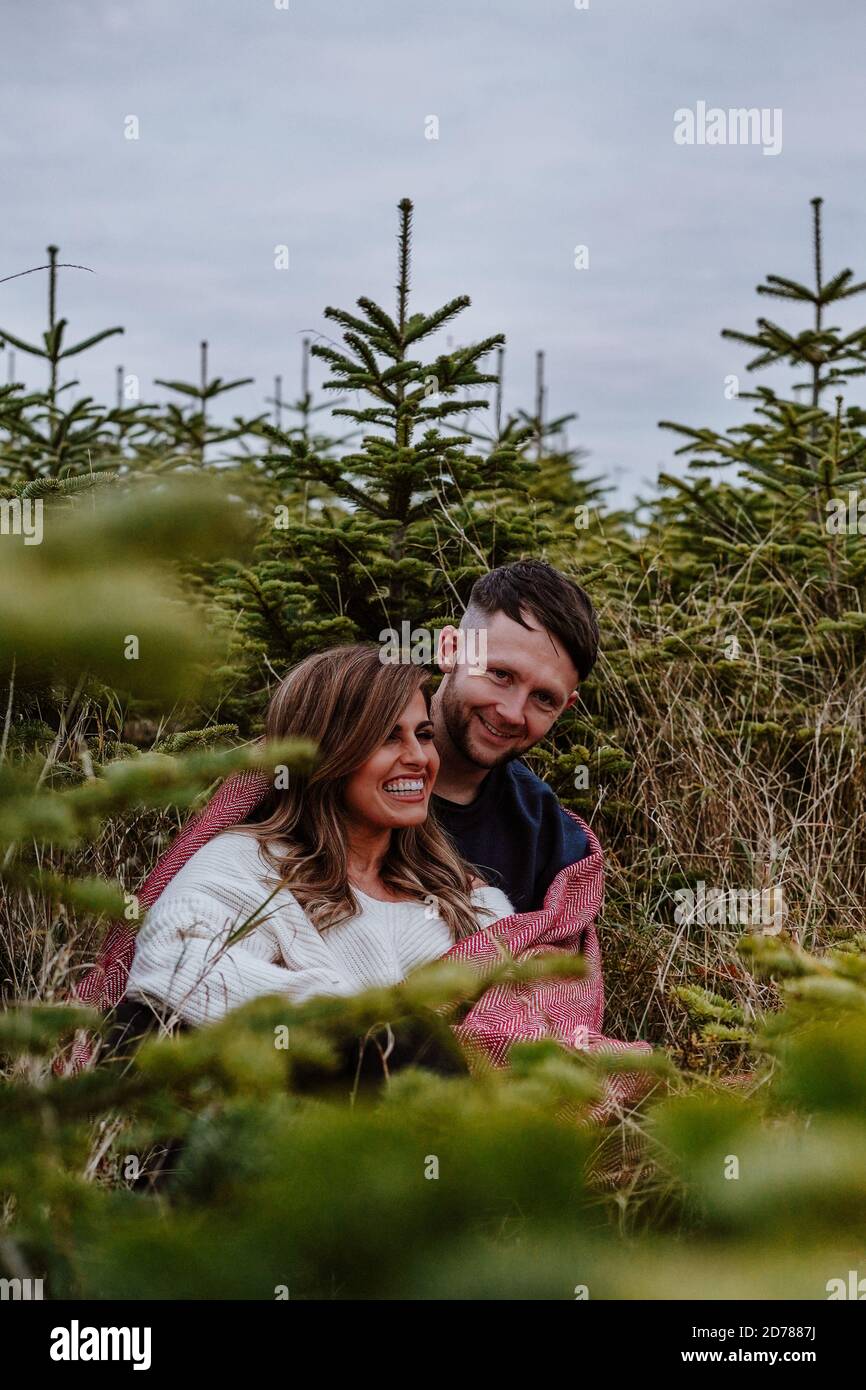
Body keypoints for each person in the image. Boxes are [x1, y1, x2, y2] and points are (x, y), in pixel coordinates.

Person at [124, 646, 514, 1033]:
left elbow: (521, 1011)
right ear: (328, 754)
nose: (418, 757)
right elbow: (172, 961)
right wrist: (368, 1025)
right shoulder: (252, 864)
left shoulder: (464, 898)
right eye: (388, 737)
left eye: (424, 735)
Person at [429, 560, 598, 913]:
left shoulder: (548, 837)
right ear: (450, 649)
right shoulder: (347, 763)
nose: (511, 713)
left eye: (543, 698)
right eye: (500, 674)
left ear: (565, 707)